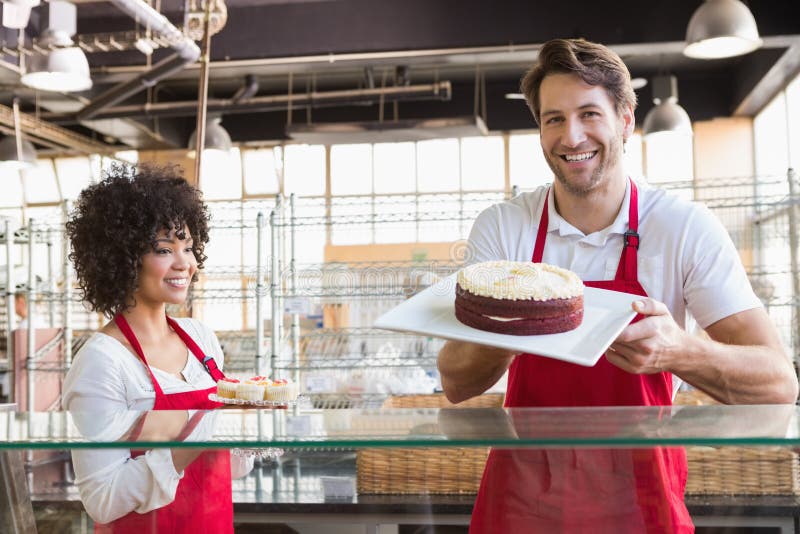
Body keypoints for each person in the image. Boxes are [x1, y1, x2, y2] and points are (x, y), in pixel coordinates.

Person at [437, 38, 798, 533]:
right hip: (522, 504)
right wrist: (513, 324)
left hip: (641, 503)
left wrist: (679, 352)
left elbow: (779, 384)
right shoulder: (506, 228)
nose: (571, 136)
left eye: (589, 114)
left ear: (626, 120)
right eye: (553, 119)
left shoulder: (683, 227)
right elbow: (456, 382)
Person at [62, 163, 250, 533]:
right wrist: (194, 441)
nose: (186, 264)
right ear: (122, 259)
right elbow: (101, 499)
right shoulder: (103, 361)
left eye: (189, 247)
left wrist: (249, 420)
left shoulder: (201, 340)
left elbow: (234, 467)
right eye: (164, 249)